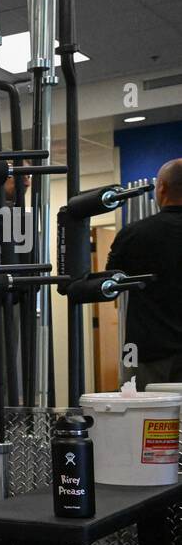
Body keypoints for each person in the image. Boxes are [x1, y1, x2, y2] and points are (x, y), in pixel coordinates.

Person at [107, 158, 182, 387]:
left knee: (142, 419)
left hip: (144, 351)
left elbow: (110, 286)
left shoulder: (133, 234)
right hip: (148, 351)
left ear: (161, 189)